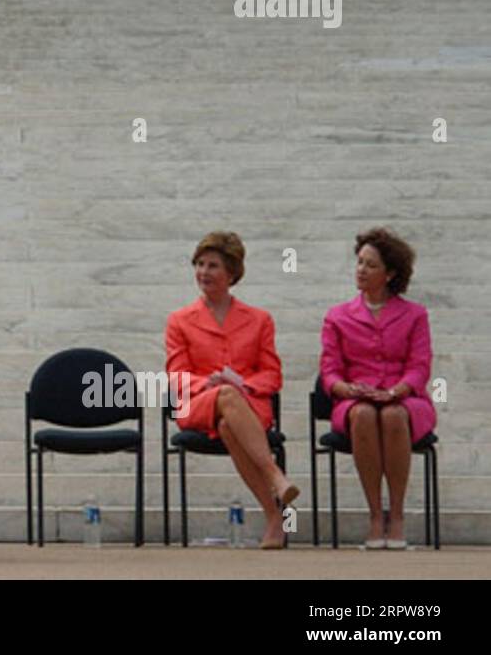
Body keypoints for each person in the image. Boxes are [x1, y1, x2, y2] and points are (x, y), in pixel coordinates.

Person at [164, 231, 298, 549]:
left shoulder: (260, 320)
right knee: (224, 396)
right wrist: (208, 383)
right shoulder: (179, 320)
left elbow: (272, 375)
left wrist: (244, 384)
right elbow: (176, 376)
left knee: (229, 421)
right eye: (199, 264)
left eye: (212, 266)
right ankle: (275, 476)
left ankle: (273, 519)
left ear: (232, 273)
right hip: (198, 402)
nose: (203, 272)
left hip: (248, 406)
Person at [320, 228, 434, 549]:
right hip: (355, 401)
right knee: (365, 415)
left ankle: (396, 515)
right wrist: (346, 389)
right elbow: (329, 371)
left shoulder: (415, 315)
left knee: (394, 415)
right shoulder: (338, 316)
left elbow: (420, 366)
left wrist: (397, 390)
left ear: (390, 273)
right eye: (359, 262)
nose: (361, 270)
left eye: (370, 265)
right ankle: (374, 515)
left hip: (405, 399)